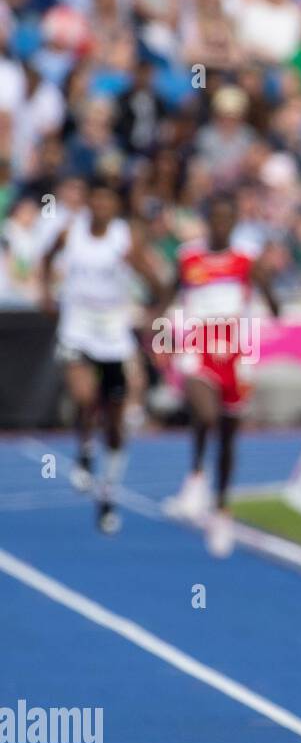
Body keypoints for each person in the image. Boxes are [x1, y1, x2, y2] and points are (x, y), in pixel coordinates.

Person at [162, 194, 281, 557]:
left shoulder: (247, 259)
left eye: (228, 219)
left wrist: (264, 283)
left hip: (236, 353)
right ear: (206, 220)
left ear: (235, 223)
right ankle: (196, 476)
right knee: (206, 414)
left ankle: (222, 510)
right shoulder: (188, 257)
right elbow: (166, 297)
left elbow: (276, 308)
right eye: (215, 218)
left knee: (228, 438)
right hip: (198, 348)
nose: (221, 225)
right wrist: (156, 329)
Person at [41, 178, 160, 534]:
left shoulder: (126, 239)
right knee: (83, 395)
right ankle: (84, 448)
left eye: (109, 202)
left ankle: (108, 494)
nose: (102, 207)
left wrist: (156, 311)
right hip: (77, 326)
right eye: (97, 200)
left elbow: (156, 279)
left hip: (112, 333)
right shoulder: (71, 232)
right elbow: (46, 257)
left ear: (116, 207)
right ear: (89, 203)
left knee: (116, 420)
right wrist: (47, 293)